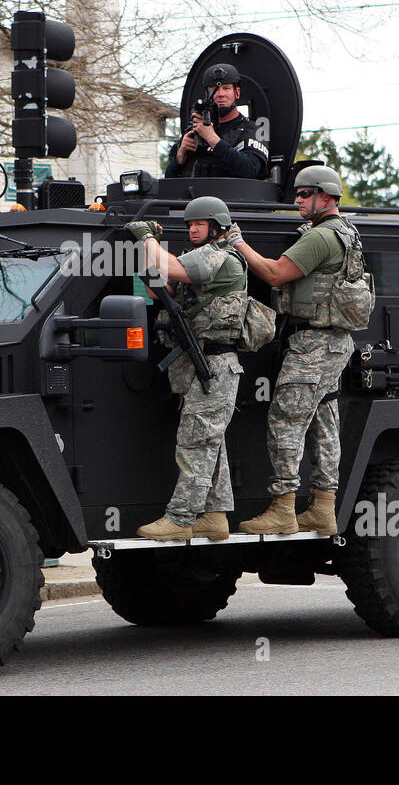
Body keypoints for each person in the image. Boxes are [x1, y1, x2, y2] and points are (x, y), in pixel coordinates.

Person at [227, 166, 369, 535]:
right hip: (333, 343)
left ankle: (283, 508)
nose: (298, 201)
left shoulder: (322, 236)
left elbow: (274, 274)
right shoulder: (346, 232)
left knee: (285, 420)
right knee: (324, 423)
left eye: (305, 194)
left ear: (326, 197)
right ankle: (322, 507)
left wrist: (238, 242)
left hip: (314, 344)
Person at [125, 196, 247, 541]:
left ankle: (180, 518)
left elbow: (172, 270)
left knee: (195, 442)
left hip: (216, 364)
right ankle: (215, 515)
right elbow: (156, 289)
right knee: (211, 441)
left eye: (199, 224)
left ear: (217, 227)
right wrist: (146, 245)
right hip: (202, 364)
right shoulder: (198, 259)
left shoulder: (220, 256)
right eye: (190, 224)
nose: (192, 229)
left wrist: (148, 239)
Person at [163, 63, 269, 179]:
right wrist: (179, 158)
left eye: (226, 88)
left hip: (233, 196)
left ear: (237, 92)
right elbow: (169, 180)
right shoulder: (195, 131)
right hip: (194, 196)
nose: (220, 94)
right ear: (206, 95)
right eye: (214, 89)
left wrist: (212, 138)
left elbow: (250, 170)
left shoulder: (254, 130)